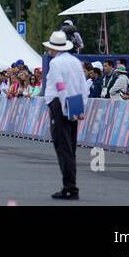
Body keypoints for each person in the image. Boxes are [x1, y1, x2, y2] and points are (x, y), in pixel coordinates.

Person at [42, 30, 87, 200]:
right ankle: (70, 185)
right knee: (71, 145)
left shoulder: (55, 64)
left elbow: (60, 86)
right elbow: (83, 86)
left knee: (63, 146)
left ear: (53, 48)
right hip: (76, 100)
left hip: (60, 103)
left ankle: (69, 186)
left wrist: (65, 105)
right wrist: (82, 107)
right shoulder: (75, 61)